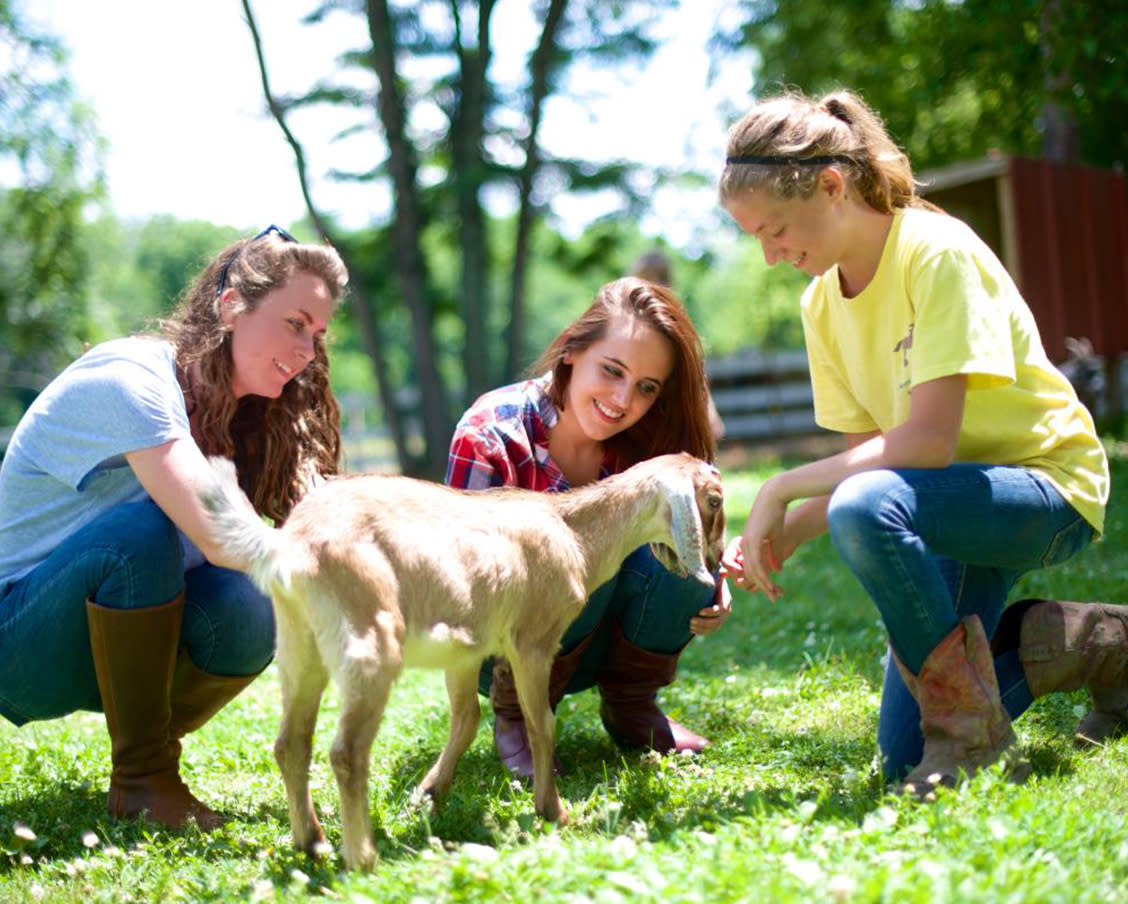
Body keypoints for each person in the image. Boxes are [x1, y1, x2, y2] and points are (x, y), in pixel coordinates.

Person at [717, 89, 1120, 797]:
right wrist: (776, 539)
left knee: (866, 505)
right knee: (906, 754)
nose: (771, 254)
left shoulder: (937, 253)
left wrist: (782, 488)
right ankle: (1103, 648)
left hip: (1042, 485)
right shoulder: (820, 305)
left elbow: (926, 443)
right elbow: (872, 469)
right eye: (755, 237)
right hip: (943, 502)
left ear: (832, 185)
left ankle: (973, 741)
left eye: (774, 229)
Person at [0, 225, 349, 828]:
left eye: (316, 335)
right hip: (18, 640)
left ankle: (146, 743)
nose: (306, 352)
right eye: (294, 323)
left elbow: (322, 519)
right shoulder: (131, 381)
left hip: (106, 636)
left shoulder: (251, 418)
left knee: (249, 603)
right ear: (231, 305)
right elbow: (221, 536)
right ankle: (143, 779)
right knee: (138, 537)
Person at [445, 277, 731, 778]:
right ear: (573, 351)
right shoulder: (491, 432)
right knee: (574, 549)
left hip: (601, 633)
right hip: (505, 643)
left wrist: (714, 581)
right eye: (612, 371)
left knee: (672, 549)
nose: (622, 401)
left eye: (646, 388)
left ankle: (631, 708)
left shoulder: (646, 443)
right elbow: (463, 587)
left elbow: (698, 530)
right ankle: (515, 717)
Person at [629, 249, 726, 442]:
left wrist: (710, 412)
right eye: (646, 280)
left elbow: (694, 374)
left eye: (657, 280)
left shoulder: (672, 321)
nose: (652, 287)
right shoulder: (629, 321)